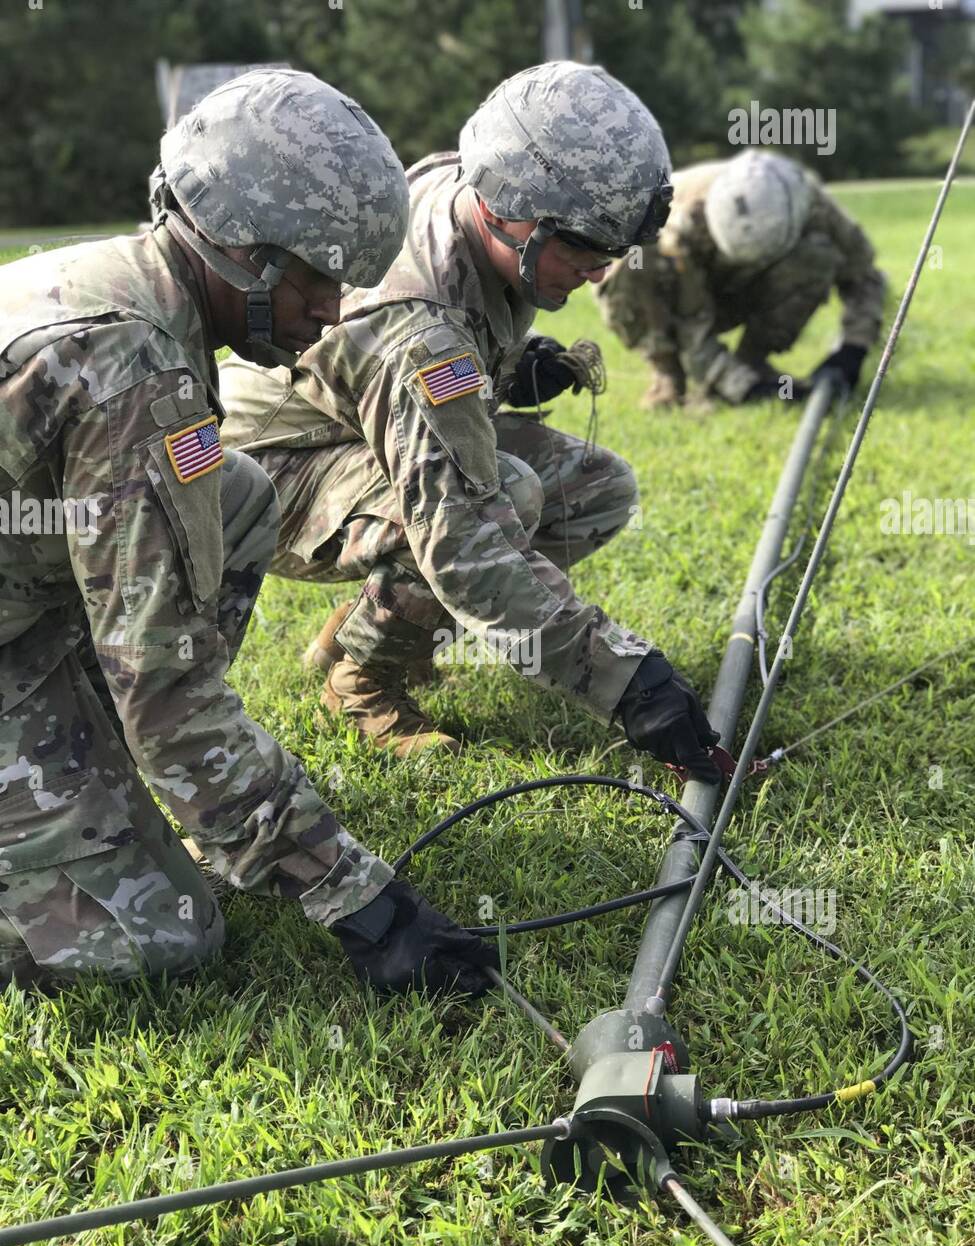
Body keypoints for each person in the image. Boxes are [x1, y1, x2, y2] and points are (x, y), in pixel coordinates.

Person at [0, 68, 498, 998]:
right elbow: (167, 684)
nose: (333, 311)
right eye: (317, 279)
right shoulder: (129, 372)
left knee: (234, 497)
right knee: (159, 939)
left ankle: (113, 783)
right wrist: (362, 903)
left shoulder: (136, 289)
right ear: (241, 253)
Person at [219, 61, 721, 781]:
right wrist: (627, 685)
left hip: (352, 421)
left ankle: (367, 632)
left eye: (609, 251)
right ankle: (361, 687)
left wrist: (516, 367)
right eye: (581, 246)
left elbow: (443, 348)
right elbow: (459, 535)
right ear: (509, 210)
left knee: (594, 486)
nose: (598, 272)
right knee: (498, 499)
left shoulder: (472, 183)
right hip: (265, 469)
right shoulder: (419, 335)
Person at [594, 150, 887, 409]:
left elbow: (864, 276)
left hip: (746, 290)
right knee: (635, 260)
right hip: (680, 291)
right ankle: (667, 372)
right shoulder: (674, 216)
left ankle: (752, 361)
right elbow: (690, 322)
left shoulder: (817, 208)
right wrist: (741, 386)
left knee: (815, 257)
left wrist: (853, 349)